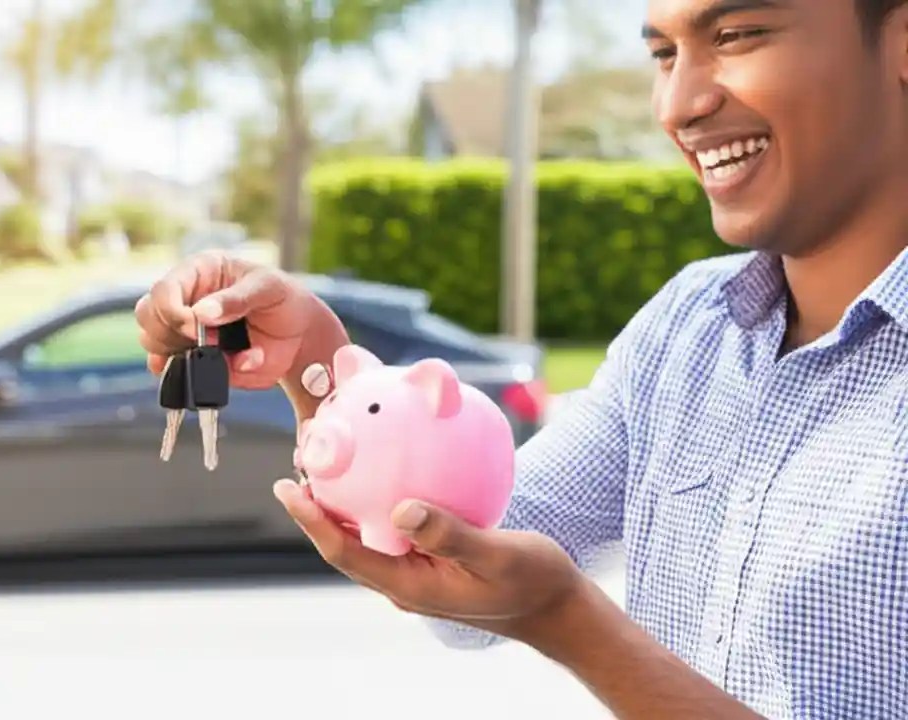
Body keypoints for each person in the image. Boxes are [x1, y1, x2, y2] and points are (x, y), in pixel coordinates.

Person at [135, 0, 908, 717]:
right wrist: (320, 367)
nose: (680, 105)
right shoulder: (686, 328)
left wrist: (572, 625)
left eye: (737, 36)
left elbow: (526, 587)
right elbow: (476, 544)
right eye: (664, 55)